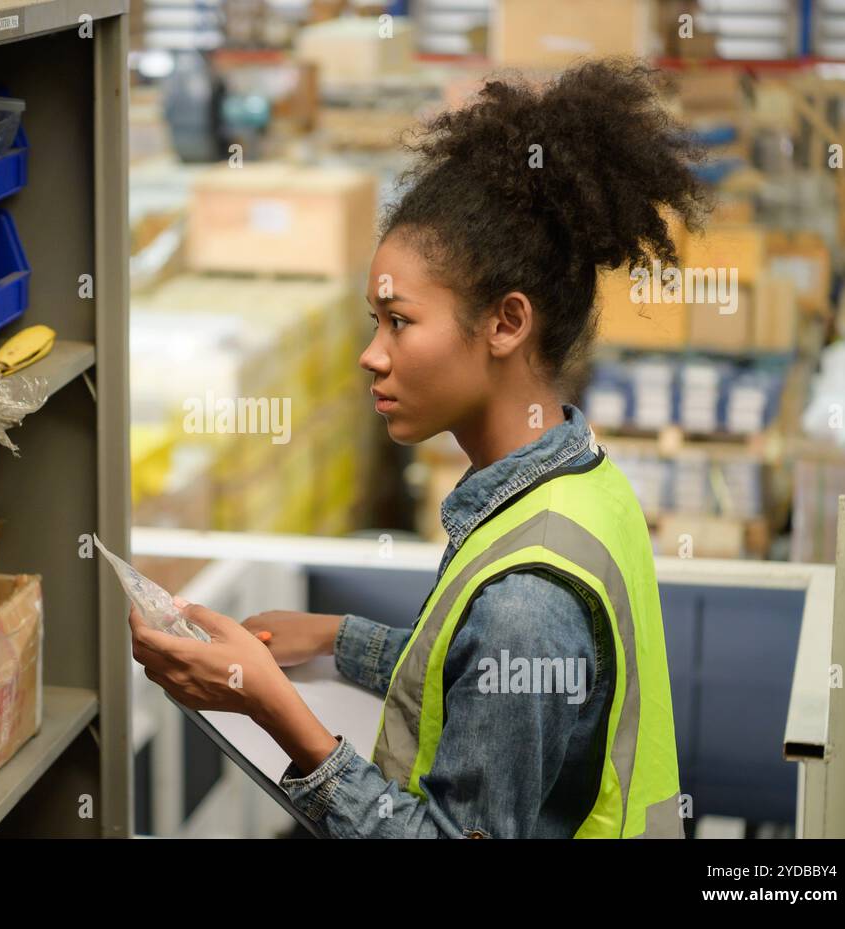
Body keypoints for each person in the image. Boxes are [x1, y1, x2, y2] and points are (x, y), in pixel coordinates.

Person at [130, 59, 709, 838]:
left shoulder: (526, 601)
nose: (372, 354)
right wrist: (339, 639)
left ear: (506, 322)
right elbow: (476, 680)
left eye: (399, 321)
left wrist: (271, 706)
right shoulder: (577, 479)